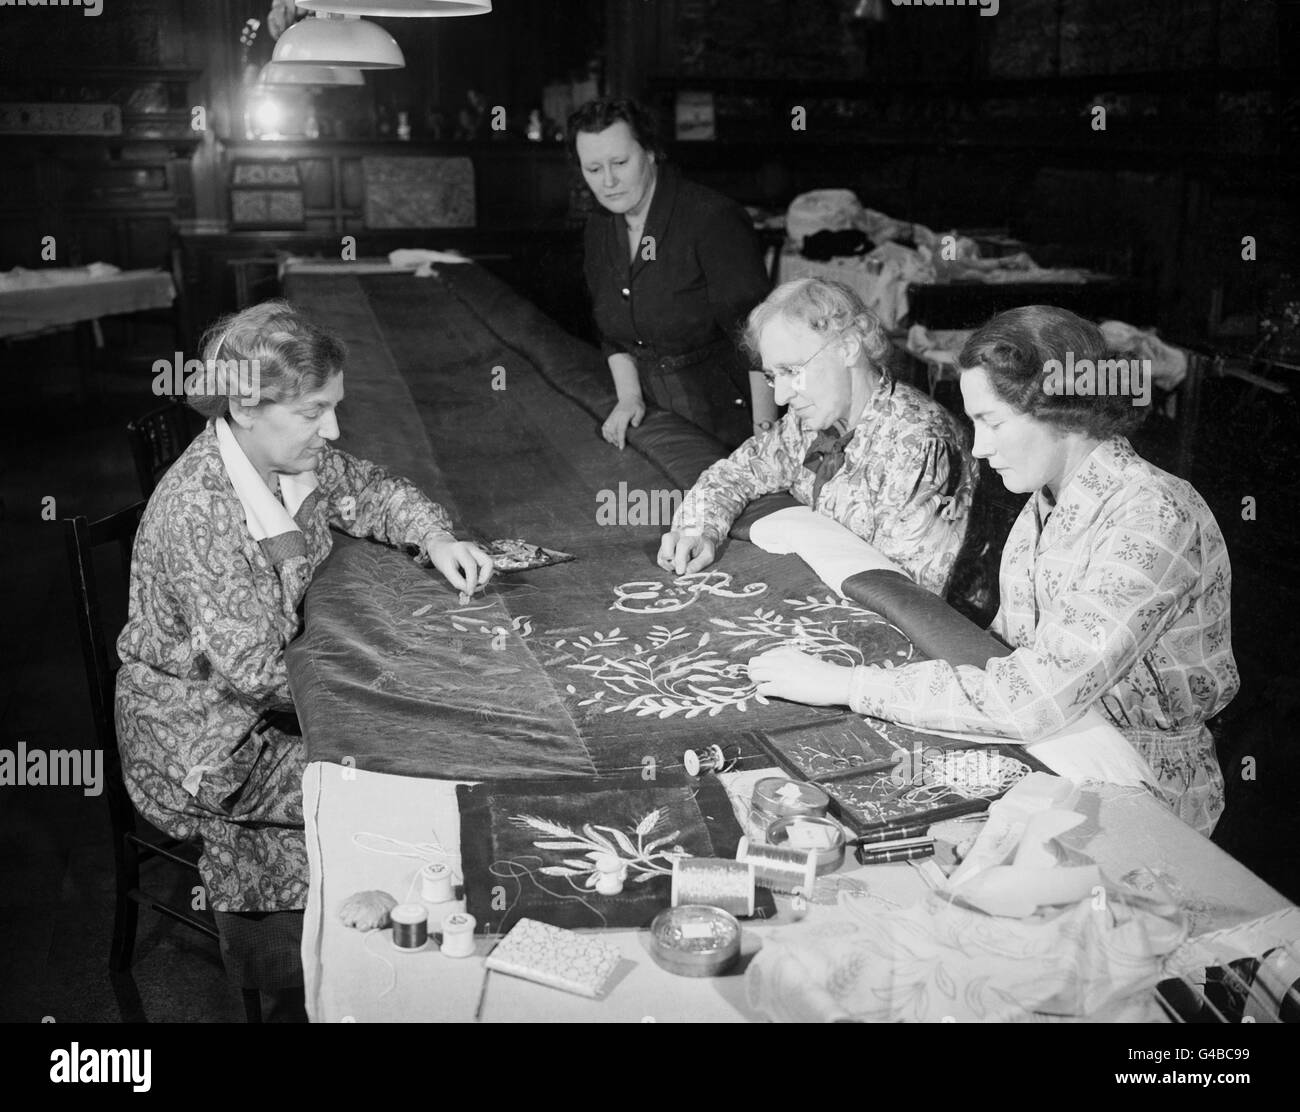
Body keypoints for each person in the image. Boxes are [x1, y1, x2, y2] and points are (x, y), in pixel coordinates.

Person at [748, 305, 1238, 835]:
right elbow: (1001, 654)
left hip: (1143, 794)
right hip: (1057, 752)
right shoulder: (1048, 499)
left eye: (992, 422)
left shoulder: (1153, 518)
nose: (979, 448)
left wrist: (849, 683)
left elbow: (1034, 695)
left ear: (1060, 411)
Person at [115, 301, 493, 982]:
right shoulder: (201, 510)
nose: (334, 427)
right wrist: (402, 683)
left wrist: (436, 536)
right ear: (247, 405)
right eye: (315, 411)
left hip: (263, 709)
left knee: (425, 753)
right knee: (409, 777)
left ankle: (407, 932)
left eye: (334, 406)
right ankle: (388, 971)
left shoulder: (281, 456)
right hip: (207, 743)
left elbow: (372, 489)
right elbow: (259, 674)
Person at [659, 277, 978, 597]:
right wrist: (697, 528)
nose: (781, 397)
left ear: (849, 347)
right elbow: (737, 473)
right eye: (773, 376)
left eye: (792, 371)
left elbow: (907, 599)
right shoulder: (810, 421)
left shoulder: (922, 448)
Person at [569, 97, 774, 450]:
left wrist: (766, 438)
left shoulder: (711, 219)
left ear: (650, 152)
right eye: (593, 169)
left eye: (620, 162)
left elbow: (761, 341)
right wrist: (629, 397)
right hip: (655, 414)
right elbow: (613, 333)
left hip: (731, 422)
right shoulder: (600, 228)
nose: (608, 181)